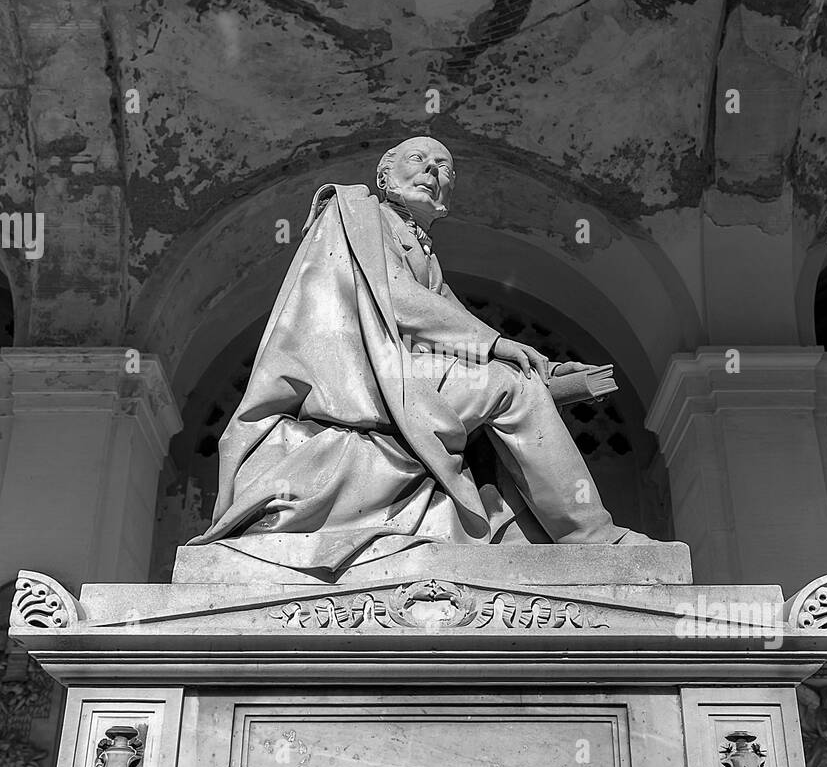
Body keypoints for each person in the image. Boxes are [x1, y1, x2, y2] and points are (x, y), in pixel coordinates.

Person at [189, 136, 658, 573]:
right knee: (507, 386)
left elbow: (454, 319)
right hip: (356, 376)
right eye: (419, 160)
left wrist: (551, 372)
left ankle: (542, 533)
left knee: (515, 382)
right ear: (384, 176)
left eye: (444, 167)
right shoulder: (355, 214)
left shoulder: (422, 249)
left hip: (401, 373)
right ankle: (592, 537)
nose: (433, 170)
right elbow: (396, 297)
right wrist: (499, 350)